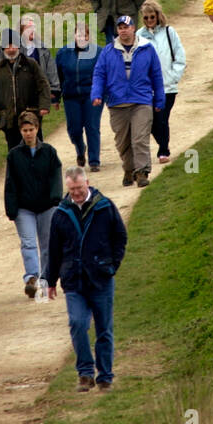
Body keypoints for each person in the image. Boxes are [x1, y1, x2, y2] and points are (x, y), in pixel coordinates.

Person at [46, 166, 127, 392]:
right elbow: (53, 250)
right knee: (77, 323)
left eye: (80, 188)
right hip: (74, 281)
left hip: (101, 279)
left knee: (104, 329)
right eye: (72, 190)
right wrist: (50, 281)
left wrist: (112, 265)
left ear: (87, 183)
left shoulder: (105, 206)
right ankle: (85, 373)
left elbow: (120, 237)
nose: (77, 194)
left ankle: (105, 377)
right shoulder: (61, 213)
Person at [91, 14, 164, 188]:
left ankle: (142, 172)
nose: (123, 30)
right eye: (120, 28)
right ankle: (129, 169)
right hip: (117, 103)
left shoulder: (147, 48)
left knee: (140, 139)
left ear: (133, 28)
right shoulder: (108, 52)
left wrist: (159, 99)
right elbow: (99, 74)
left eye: (127, 27)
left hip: (142, 101)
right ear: (117, 30)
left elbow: (156, 74)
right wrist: (96, 94)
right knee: (123, 142)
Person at [4, 110, 63, 299]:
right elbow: (10, 182)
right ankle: (31, 278)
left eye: (31, 129)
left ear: (37, 129)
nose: (28, 133)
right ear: (20, 132)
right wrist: (11, 208)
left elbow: (56, 175)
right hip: (24, 208)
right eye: (24, 130)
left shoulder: (49, 152)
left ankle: (45, 280)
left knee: (46, 245)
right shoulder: (14, 155)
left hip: (47, 206)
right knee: (28, 243)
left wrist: (56, 198)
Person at [137, 0, 186, 164]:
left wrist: (172, 77)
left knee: (162, 118)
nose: (149, 20)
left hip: (167, 87)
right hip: (147, 89)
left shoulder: (169, 32)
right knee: (150, 121)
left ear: (158, 16)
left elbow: (179, 56)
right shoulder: (139, 36)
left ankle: (163, 150)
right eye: (146, 18)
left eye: (152, 16)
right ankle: (162, 145)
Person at [0, 29, 51, 148]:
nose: (11, 49)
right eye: (7, 46)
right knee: (15, 152)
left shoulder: (31, 64)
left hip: (31, 115)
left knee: (35, 148)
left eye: (14, 45)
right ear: (3, 48)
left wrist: (44, 106)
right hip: (9, 120)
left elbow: (43, 85)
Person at [56, 19, 102, 172]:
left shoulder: (98, 52)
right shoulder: (63, 53)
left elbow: (103, 74)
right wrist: (55, 97)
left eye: (84, 35)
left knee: (92, 126)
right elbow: (58, 77)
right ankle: (81, 149)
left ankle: (94, 160)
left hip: (91, 96)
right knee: (74, 129)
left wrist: (103, 94)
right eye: (78, 35)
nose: (81, 38)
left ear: (88, 37)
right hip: (71, 96)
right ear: (74, 36)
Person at [19, 14, 61, 111]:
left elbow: (51, 71)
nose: (32, 30)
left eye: (33, 27)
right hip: (19, 94)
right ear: (21, 30)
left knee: (35, 123)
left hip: (38, 93)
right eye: (28, 27)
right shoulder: (14, 48)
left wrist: (55, 92)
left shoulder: (42, 48)